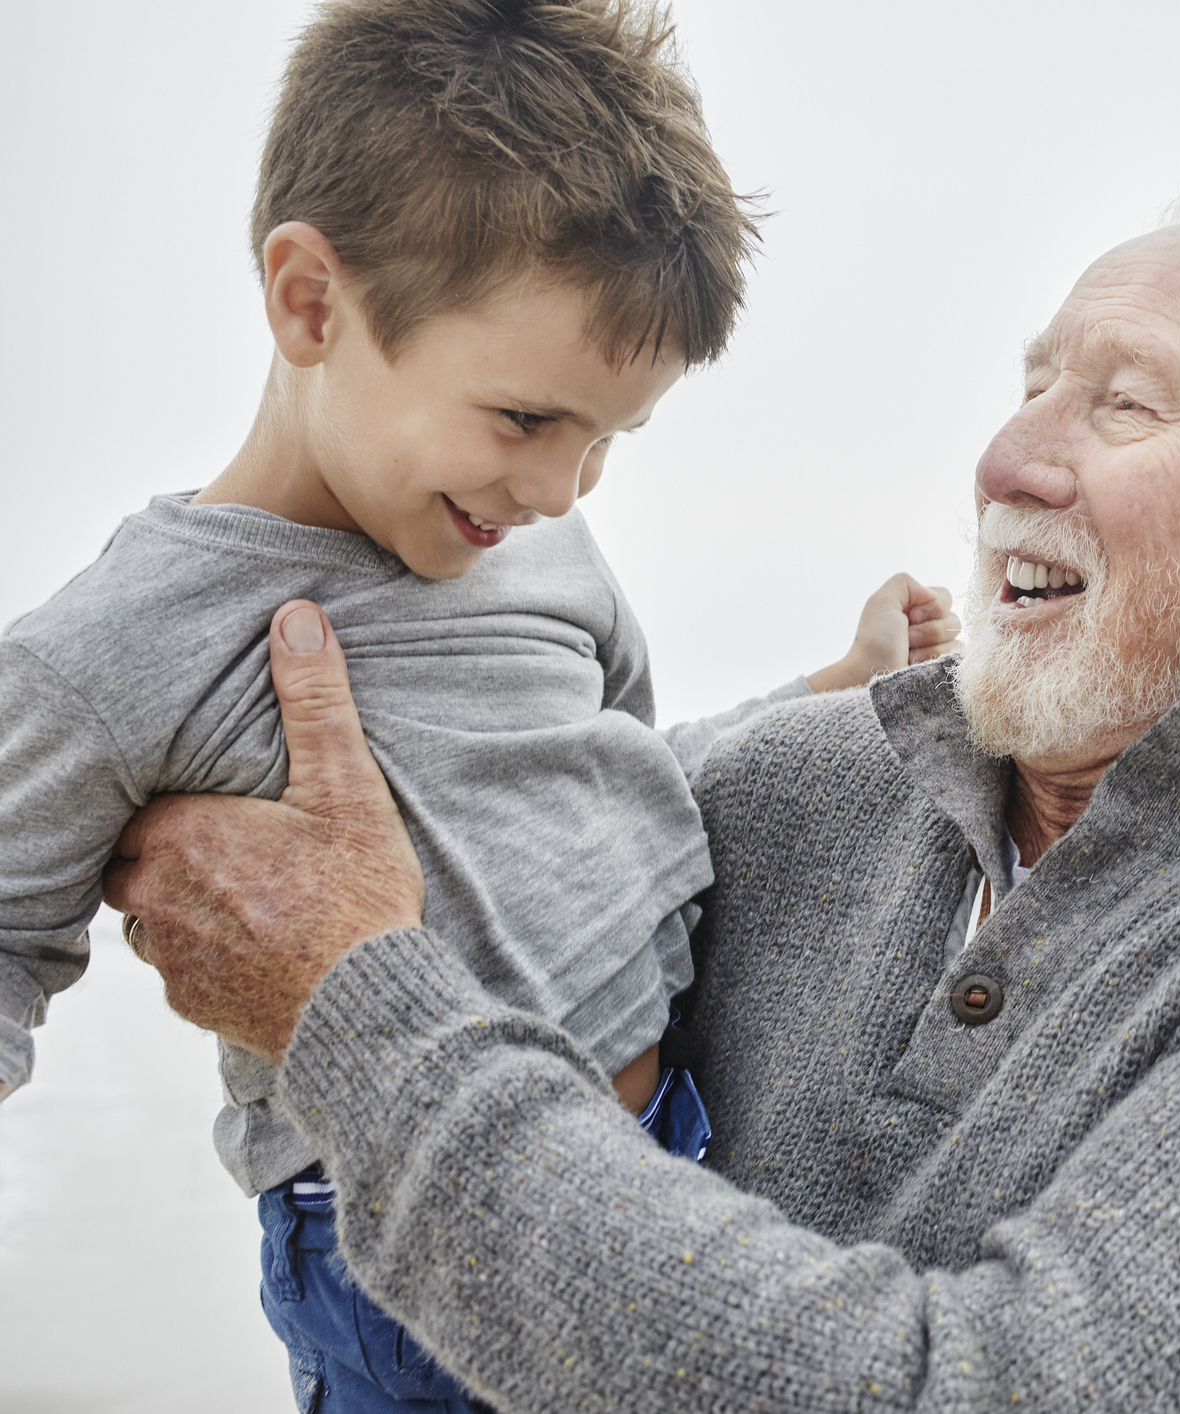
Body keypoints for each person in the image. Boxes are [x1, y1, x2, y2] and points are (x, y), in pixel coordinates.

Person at [109, 178, 1180, 1413]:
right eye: (1032, 384)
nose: (1006, 455)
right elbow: (435, 841)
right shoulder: (791, 780)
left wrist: (352, 1006)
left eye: (1124, 405)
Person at [0, 2, 955, 1409]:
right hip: (389, 1245)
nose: (563, 489)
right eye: (524, 420)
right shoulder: (119, 643)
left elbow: (619, 784)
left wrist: (831, 691)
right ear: (311, 301)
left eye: (606, 440)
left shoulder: (535, 542)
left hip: (668, 1168)